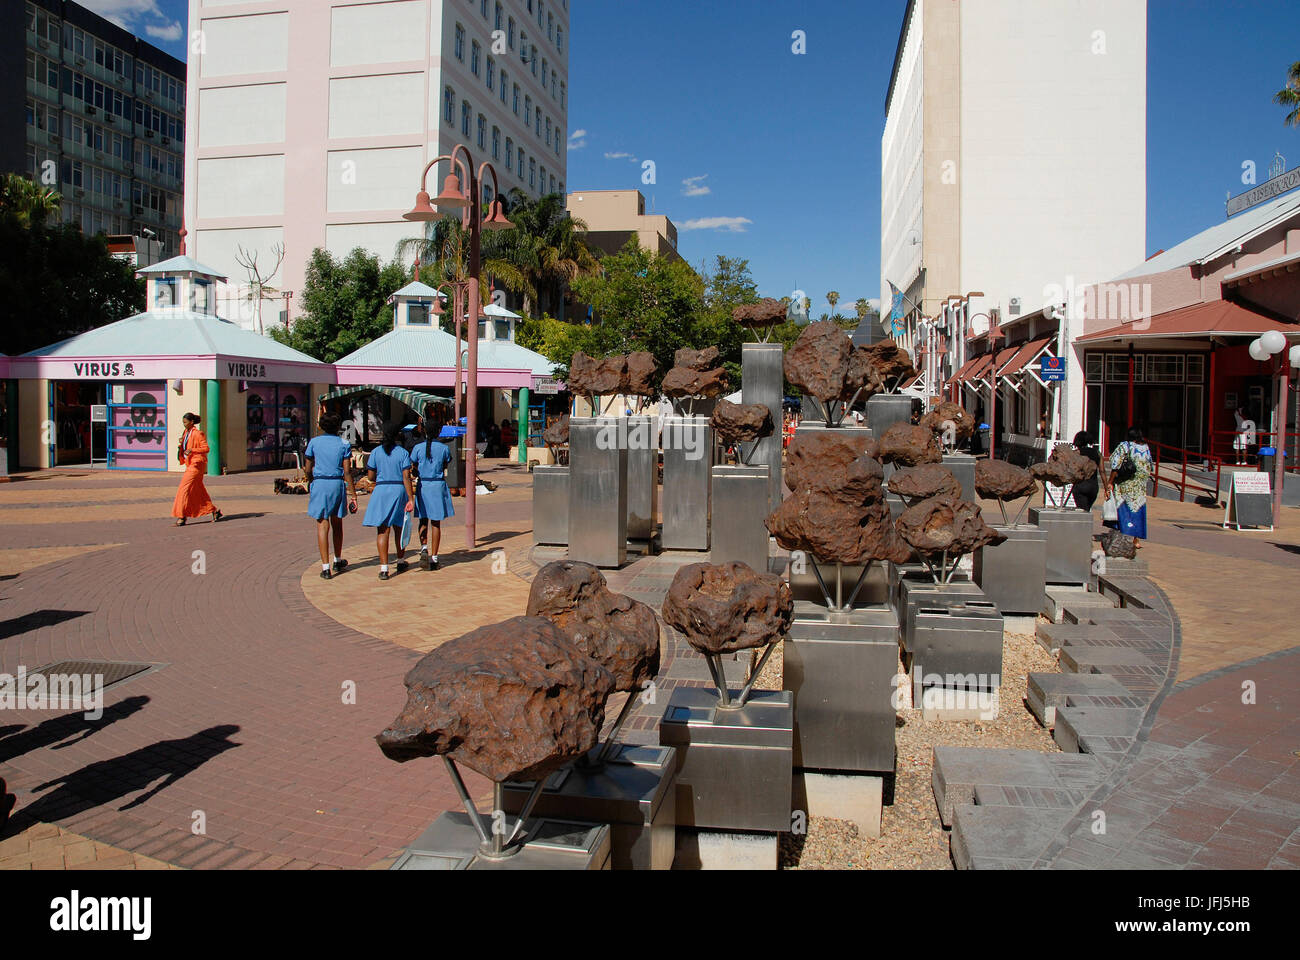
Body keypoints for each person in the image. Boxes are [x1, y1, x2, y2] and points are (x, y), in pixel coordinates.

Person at [304, 411, 356, 580]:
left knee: (322, 524)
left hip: (320, 483)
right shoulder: (344, 443)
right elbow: (347, 471)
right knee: (337, 522)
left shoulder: (314, 442)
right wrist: (353, 493)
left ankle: (325, 567)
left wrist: (311, 481)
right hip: (336, 483)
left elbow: (307, 468)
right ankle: (337, 559)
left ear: (321, 426)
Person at [363, 421, 416, 580]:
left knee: (382, 529)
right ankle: (400, 560)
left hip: (381, 490)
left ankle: (384, 568)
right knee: (400, 527)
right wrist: (410, 497)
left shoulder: (376, 452)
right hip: (398, 489)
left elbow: (371, 476)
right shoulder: (402, 453)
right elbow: (406, 477)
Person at [411, 402, 455, 570]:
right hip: (437, 486)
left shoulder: (417, 448)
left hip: (423, 485)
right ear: (438, 432)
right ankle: (435, 557)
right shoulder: (443, 448)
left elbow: (413, 466)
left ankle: (424, 548)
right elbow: (446, 464)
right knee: (436, 523)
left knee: (423, 519)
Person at [1105, 426, 1154, 547]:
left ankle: (1124, 535)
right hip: (1140, 485)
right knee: (1138, 508)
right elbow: (1150, 466)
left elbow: (1115, 465)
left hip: (1126, 483)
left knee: (1124, 508)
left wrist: (1110, 482)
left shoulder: (1125, 445)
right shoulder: (1146, 447)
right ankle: (1136, 539)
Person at [171, 413, 222, 526]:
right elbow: (186, 446)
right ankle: (214, 511)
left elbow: (206, 448)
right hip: (189, 465)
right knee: (198, 491)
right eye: (183, 422)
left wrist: (192, 450)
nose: (183, 424)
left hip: (196, 465)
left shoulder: (198, 434)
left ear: (192, 422)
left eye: (185, 422)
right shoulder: (186, 433)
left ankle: (181, 516)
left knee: (183, 490)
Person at [1071, 430, 1102, 512]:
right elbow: (1102, 471)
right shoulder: (1097, 453)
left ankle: (1085, 524)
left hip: (1080, 486)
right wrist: (1106, 487)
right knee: (1087, 509)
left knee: (1083, 511)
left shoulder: (1075, 453)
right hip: (1093, 487)